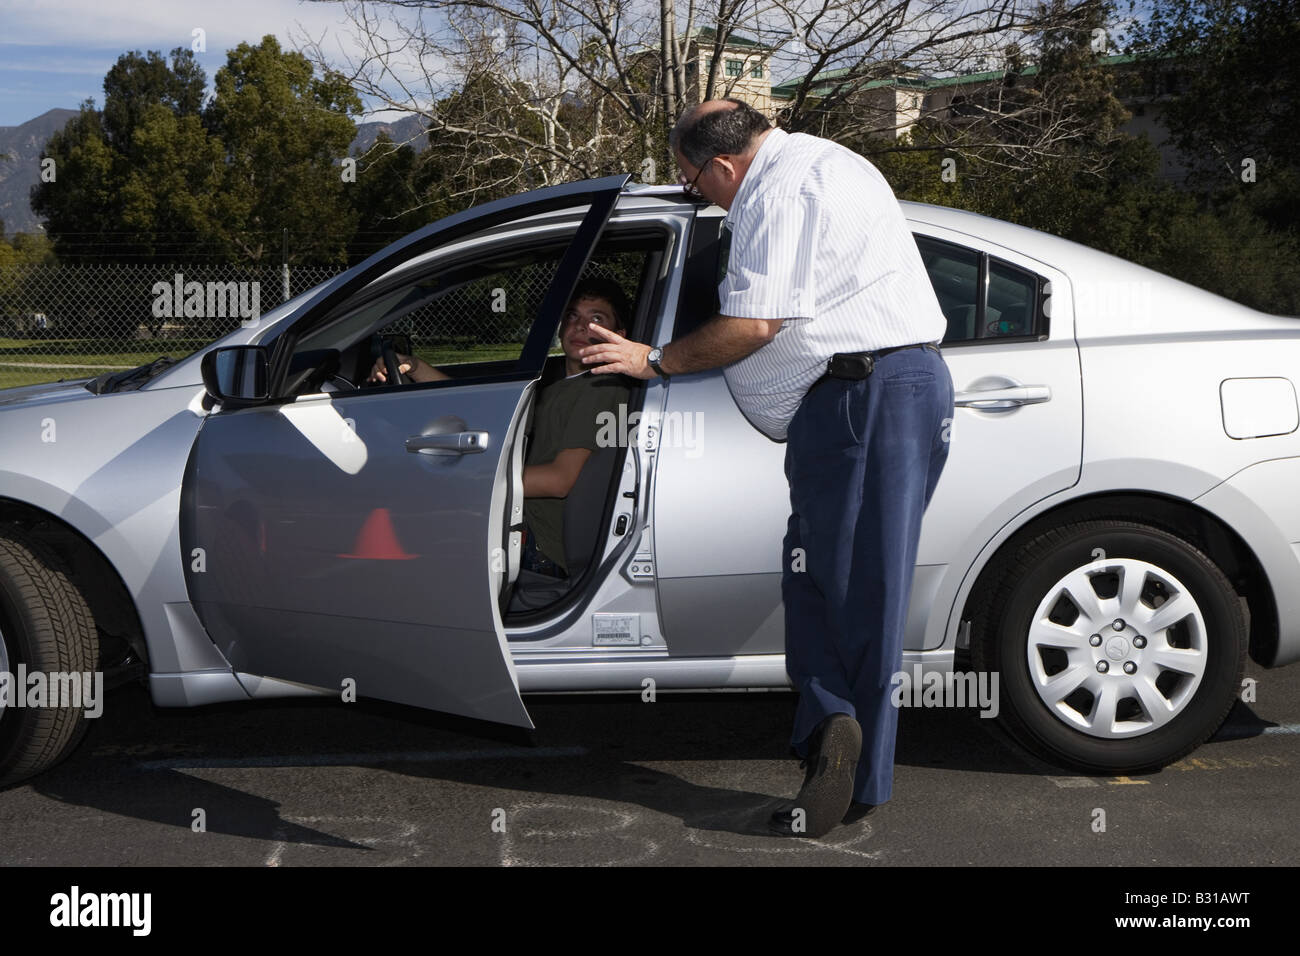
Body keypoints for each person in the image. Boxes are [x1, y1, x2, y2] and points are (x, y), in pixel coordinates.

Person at [580, 99, 954, 838]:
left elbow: (757, 323)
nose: (699, 197)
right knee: (816, 579)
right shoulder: (824, 164)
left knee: (857, 591)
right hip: (847, 405)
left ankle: (856, 779)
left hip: (867, 396)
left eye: (693, 184)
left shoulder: (780, 189)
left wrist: (653, 360)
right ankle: (832, 728)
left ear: (723, 165)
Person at [368, 278, 634, 578]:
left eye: (596, 319)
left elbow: (559, 480)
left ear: (618, 336)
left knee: (413, 530)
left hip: (539, 545)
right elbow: (471, 407)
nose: (581, 326)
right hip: (519, 518)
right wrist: (414, 367)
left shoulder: (601, 390)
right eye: (573, 316)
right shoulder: (555, 378)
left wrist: (471, 480)